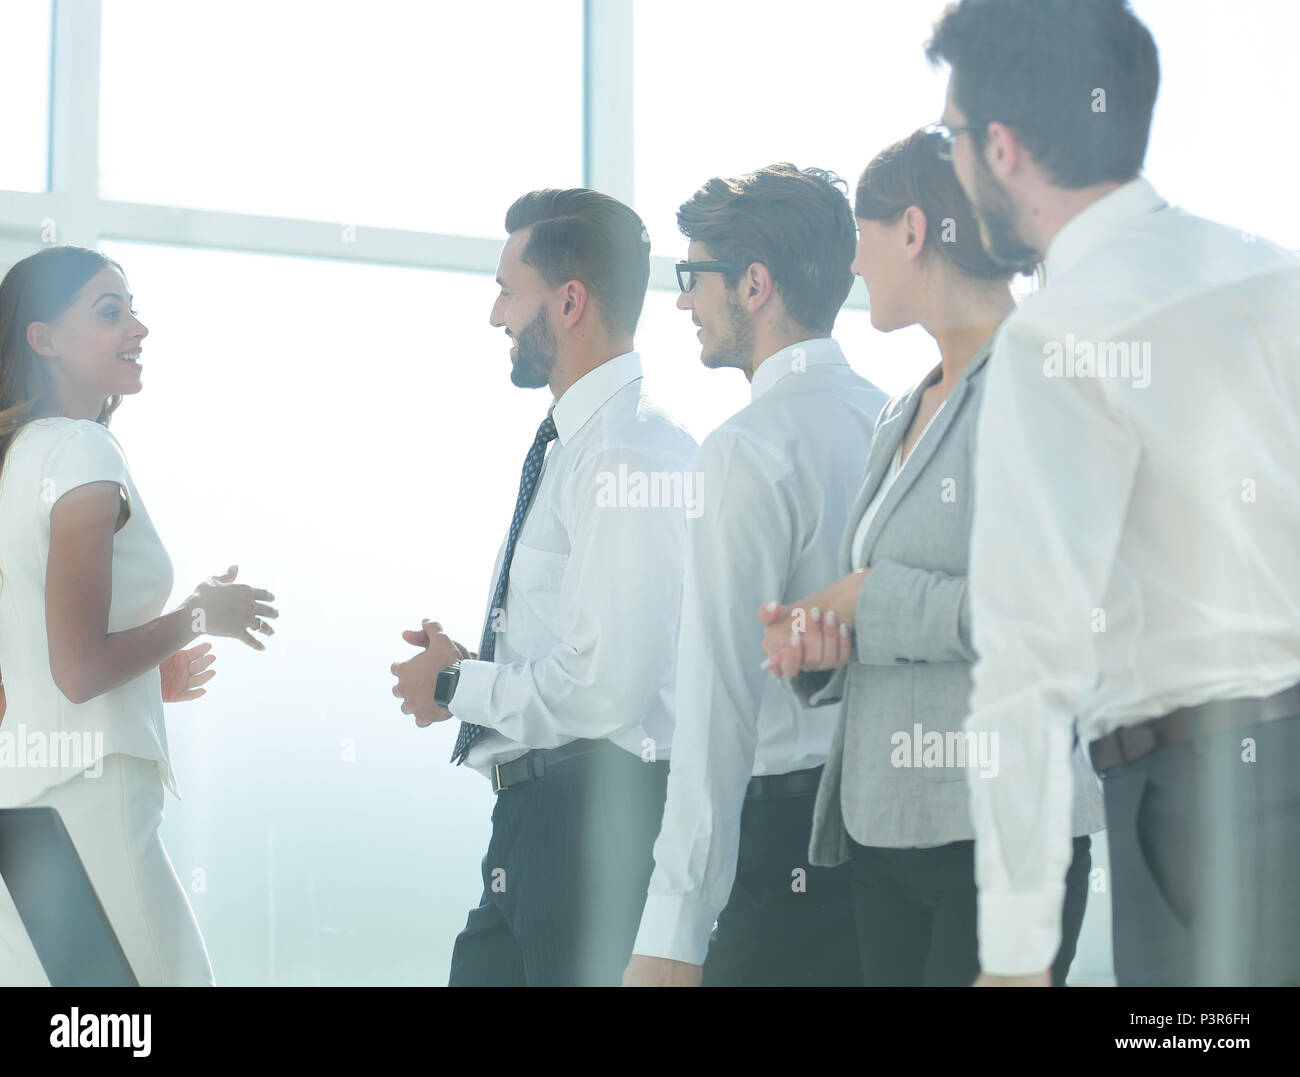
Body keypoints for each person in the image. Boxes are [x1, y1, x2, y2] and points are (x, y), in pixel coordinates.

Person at [925, 0, 1300, 985]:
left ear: (998, 148)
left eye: (950, 138)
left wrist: (1013, 957)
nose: (955, 163)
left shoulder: (1058, 337)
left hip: (1201, 812)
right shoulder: (1273, 274)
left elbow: (1026, 663)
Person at [758, 130, 1104, 986]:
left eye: (862, 238)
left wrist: (866, 598)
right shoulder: (900, 411)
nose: (856, 267)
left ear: (912, 231)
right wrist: (821, 647)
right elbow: (896, 616)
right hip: (886, 835)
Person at [390, 189, 697, 986]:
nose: (495, 315)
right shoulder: (584, 444)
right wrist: (470, 667)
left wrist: (457, 683)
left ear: (568, 301)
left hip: (590, 826)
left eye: (506, 290)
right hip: (537, 823)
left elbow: (609, 687)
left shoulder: (627, 452)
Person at [624, 164, 886, 988]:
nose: (680, 302)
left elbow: (716, 706)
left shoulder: (746, 449)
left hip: (780, 860)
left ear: (755, 284)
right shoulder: (901, 419)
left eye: (691, 277)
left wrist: (672, 927)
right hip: (892, 847)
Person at [0, 245, 277, 986]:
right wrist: (196, 616)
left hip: (27, 813)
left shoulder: (19, 458)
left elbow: (29, 664)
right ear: (42, 338)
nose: (138, 328)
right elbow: (80, 669)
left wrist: (149, 677)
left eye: (133, 309)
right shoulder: (85, 449)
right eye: (109, 311)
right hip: (93, 810)